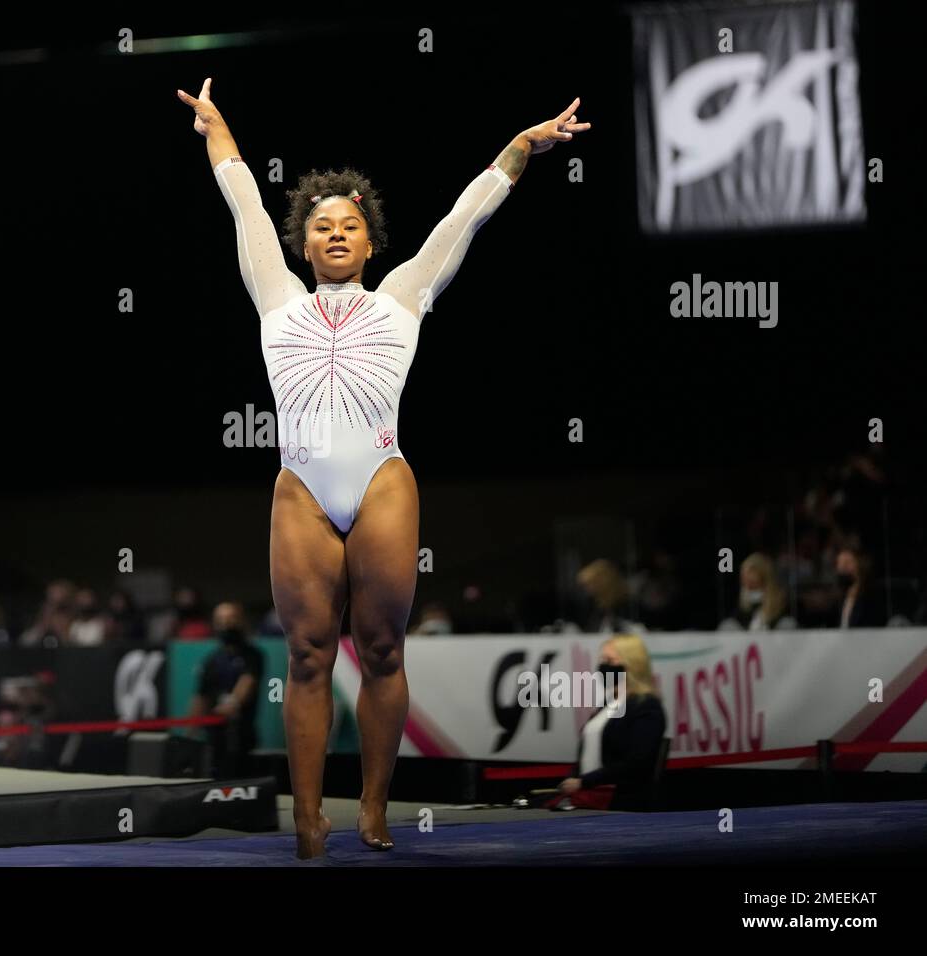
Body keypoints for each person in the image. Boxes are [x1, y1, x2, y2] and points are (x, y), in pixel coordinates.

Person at [179, 77, 590, 857]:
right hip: (300, 489)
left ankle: (373, 804)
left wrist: (522, 148)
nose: (335, 234)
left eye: (350, 226)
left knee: (382, 649)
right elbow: (244, 206)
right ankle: (307, 817)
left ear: (370, 244)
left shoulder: (404, 295)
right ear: (305, 246)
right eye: (322, 227)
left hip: (380, 481)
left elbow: (463, 217)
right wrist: (217, 128)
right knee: (304, 655)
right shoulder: (277, 298)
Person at [555, 635, 667, 811]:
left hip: (618, 801)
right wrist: (573, 780)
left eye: (610, 660)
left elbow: (636, 763)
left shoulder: (647, 707)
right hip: (586, 797)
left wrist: (583, 782)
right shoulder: (608, 704)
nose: (604, 666)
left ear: (632, 665)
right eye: (602, 660)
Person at [189, 603, 264, 777]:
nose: (226, 625)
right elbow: (201, 697)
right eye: (221, 621)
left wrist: (233, 704)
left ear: (241, 621)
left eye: (231, 619)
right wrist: (190, 732)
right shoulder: (211, 661)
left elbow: (247, 682)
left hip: (242, 736)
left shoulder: (253, 655)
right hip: (215, 738)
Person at [719, 552, 796, 631]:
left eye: (752, 574)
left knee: (787, 623)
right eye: (744, 578)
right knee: (727, 625)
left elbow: (780, 618)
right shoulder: (742, 601)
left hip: (772, 637)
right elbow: (739, 618)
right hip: (747, 638)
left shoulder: (779, 599)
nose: (747, 581)